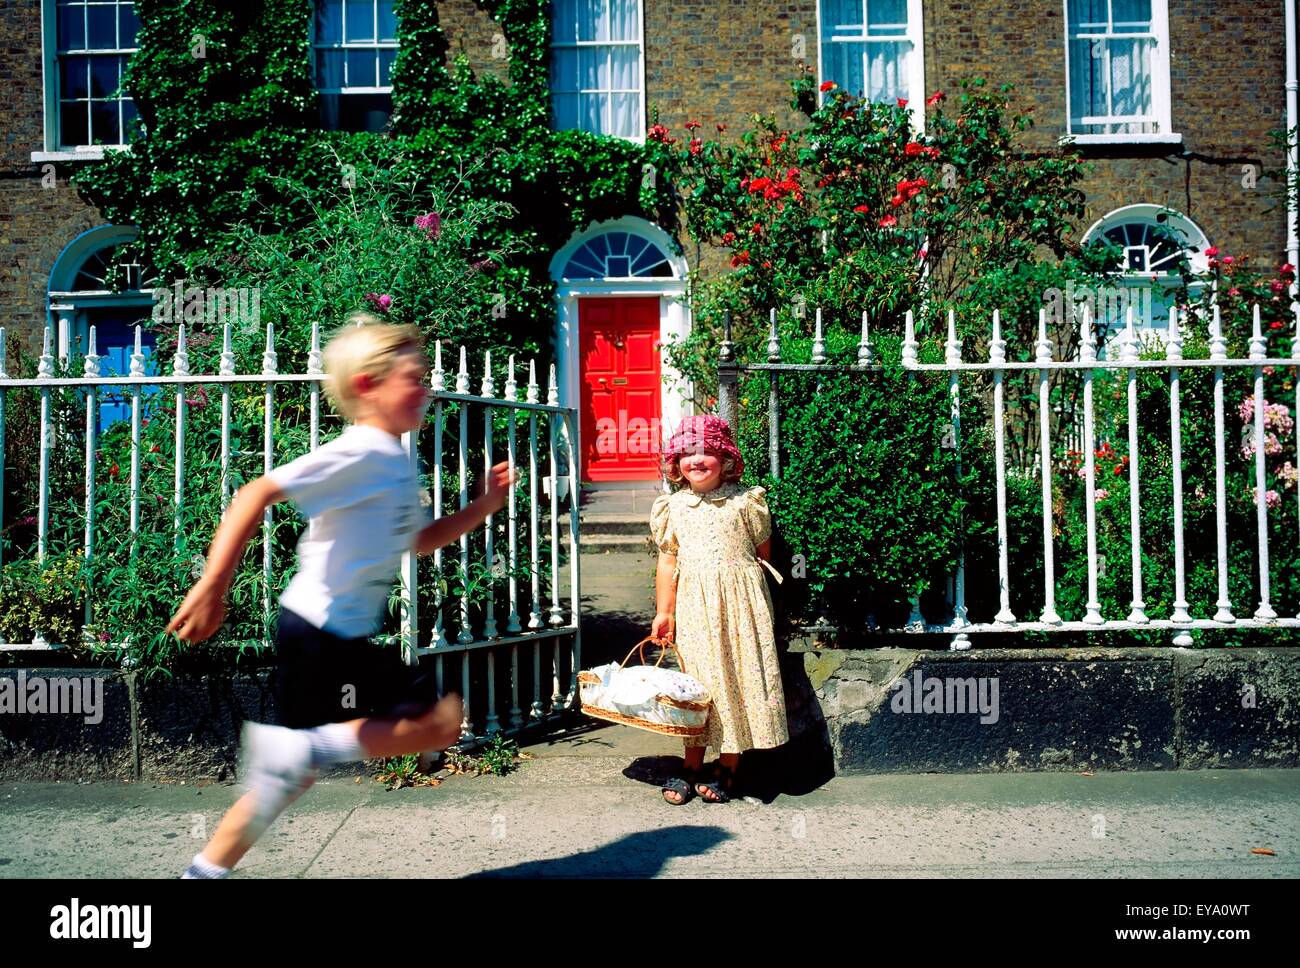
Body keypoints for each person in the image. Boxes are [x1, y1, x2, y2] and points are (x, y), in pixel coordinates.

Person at [168, 316, 514, 878]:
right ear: (367, 387)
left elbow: (417, 541)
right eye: (414, 378)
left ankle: (202, 873)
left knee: (287, 778)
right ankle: (305, 750)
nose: (425, 389)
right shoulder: (361, 453)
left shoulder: (394, 460)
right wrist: (213, 585)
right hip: (323, 630)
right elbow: (256, 493)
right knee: (440, 722)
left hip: (323, 630)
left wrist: (481, 508)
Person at [650, 414, 788, 804]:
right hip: (694, 606)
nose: (696, 460)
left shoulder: (746, 502)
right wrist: (666, 611)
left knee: (737, 679)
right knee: (697, 685)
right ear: (676, 464)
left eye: (706, 452)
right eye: (687, 454)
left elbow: (762, 552)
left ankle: (729, 764)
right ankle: (691, 764)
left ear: (725, 459)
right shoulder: (672, 508)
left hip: (742, 605)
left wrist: (739, 582)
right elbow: (667, 562)